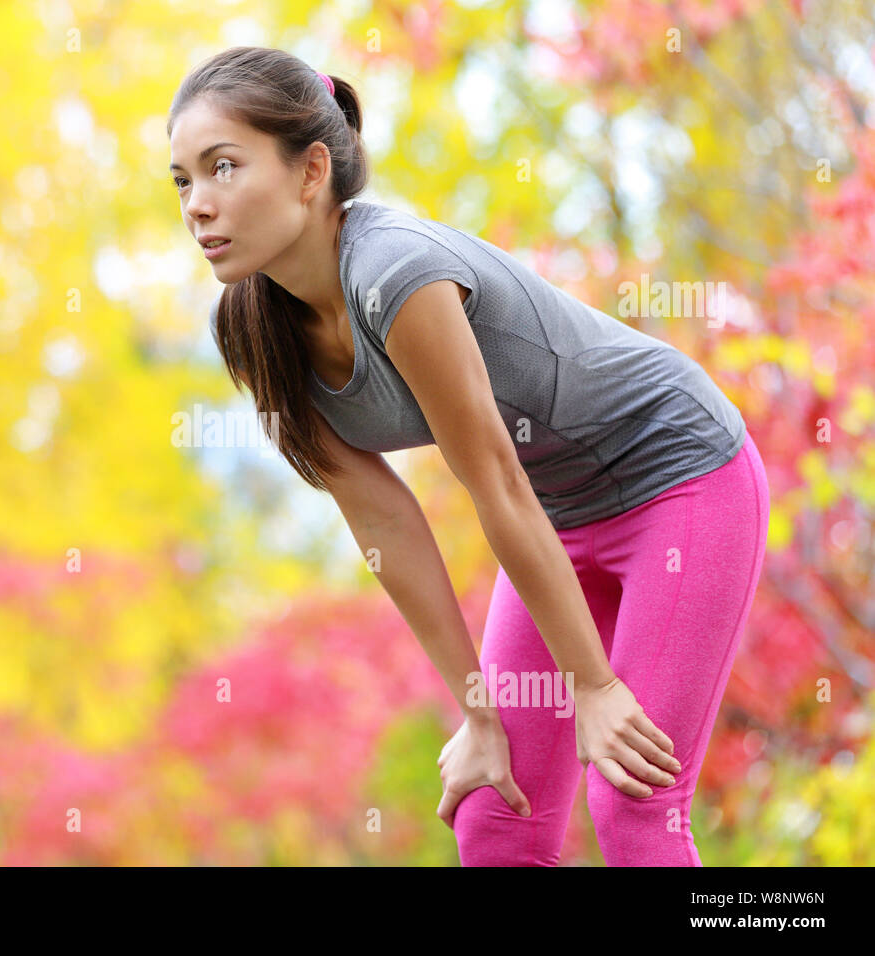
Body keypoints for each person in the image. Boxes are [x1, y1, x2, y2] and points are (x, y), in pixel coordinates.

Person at [167, 46, 769, 866]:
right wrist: (479, 712)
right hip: (557, 519)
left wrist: (593, 688)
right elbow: (383, 520)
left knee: (632, 804)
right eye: (182, 181)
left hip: (679, 478)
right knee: (495, 818)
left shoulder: (395, 273)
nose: (198, 205)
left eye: (223, 168)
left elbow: (494, 478)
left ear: (311, 171)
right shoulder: (255, 329)